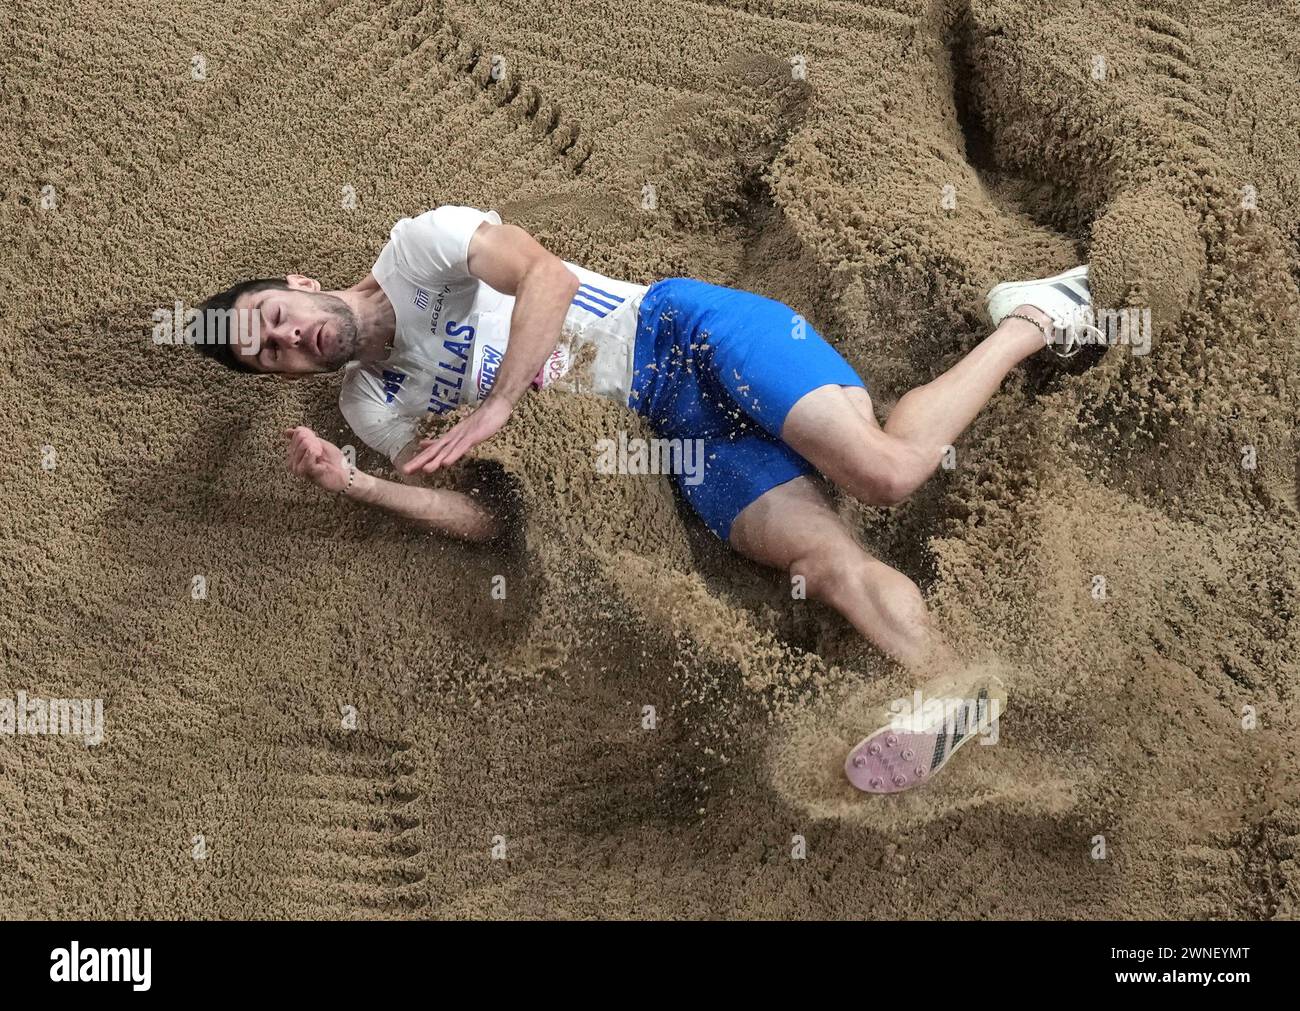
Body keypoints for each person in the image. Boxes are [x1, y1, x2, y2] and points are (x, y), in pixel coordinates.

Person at [192, 205, 1095, 792]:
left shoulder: (416, 249)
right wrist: (362, 485)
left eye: (274, 316)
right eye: (272, 354)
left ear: (297, 284)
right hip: (673, 439)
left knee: (887, 474)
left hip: (684, 330)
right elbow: (493, 520)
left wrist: (503, 400)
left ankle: (1031, 319)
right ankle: (947, 687)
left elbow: (546, 275)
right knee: (824, 564)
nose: (291, 339)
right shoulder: (371, 407)